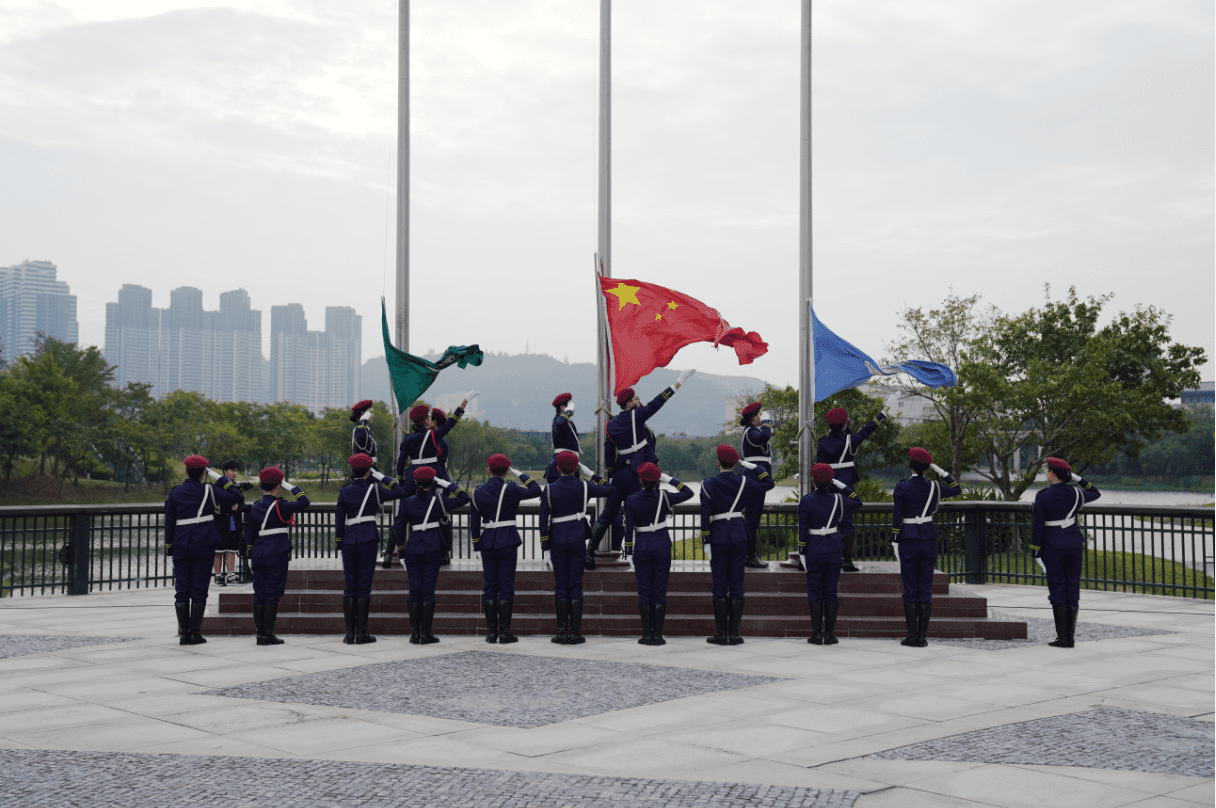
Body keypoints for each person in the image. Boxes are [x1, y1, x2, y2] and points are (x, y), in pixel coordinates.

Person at [587, 370, 696, 569]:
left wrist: (612, 473)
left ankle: (589, 553)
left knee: (608, 514)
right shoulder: (636, 417)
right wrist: (678, 383)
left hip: (620, 474)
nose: (639, 400)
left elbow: (608, 450)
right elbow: (657, 403)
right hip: (639, 473)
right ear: (629, 404)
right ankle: (641, 553)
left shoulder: (611, 424)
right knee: (644, 512)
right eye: (636, 398)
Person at [699, 445, 775, 645]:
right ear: (735, 464)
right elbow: (769, 483)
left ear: (718, 463)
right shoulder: (744, 482)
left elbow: (705, 516)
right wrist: (755, 467)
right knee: (737, 585)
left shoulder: (708, 484)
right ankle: (734, 634)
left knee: (719, 586)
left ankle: (720, 634)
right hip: (738, 535)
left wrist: (706, 541)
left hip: (717, 537)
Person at [164, 455, 243, 645]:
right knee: (199, 587)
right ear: (203, 474)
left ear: (186, 471)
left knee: (182, 588)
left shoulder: (175, 492)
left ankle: (184, 634)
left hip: (181, 543)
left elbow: (169, 524)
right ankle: (195, 633)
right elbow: (236, 496)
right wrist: (222, 479)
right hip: (204, 543)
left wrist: (169, 547)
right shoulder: (210, 490)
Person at [538, 451, 615, 644]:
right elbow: (610, 489)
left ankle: (562, 631)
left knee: (561, 586)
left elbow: (542, 521)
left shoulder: (549, 490)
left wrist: (545, 546)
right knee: (575, 585)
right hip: (578, 539)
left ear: (557, 468)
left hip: (557, 540)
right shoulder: (584, 486)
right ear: (576, 468)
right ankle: (576, 633)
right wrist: (593, 476)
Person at [891, 447, 961, 647]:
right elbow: (956, 488)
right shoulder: (935, 487)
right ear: (927, 467)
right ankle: (922, 637)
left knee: (910, 587)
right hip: (928, 537)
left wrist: (895, 538)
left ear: (910, 465)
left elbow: (898, 516)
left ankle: (912, 636)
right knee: (925, 588)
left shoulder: (902, 487)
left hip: (908, 538)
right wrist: (940, 471)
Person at [336, 453, 408, 644]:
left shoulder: (344, 492)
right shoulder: (376, 490)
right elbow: (402, 492)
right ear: (369, 472)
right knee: (364, 587)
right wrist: (382, 477)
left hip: (350, 539)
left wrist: (338, 542)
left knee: (350, 586)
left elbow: (338, 520)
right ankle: (362, 634)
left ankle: (349, 634)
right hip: (368, 538)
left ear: (352, 470)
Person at [469, 454, 541, 643]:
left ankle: (491, 633)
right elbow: (536, 490)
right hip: (507, 540)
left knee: (490, 587)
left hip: (487, 542)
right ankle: (505, 632)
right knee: (506, 587)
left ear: (488, 470)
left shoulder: (477, 492)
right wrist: (523, 475)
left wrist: (477, 544)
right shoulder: (510, 489)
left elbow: (474, 522)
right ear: (507, 471)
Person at [394, 466, 470, 644]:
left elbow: (399, 527)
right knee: (428, 590)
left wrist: (401, 551)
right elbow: (465, 497)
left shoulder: (407, 502)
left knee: (414, 590)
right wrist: (446, 483)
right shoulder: (440, 501)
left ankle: (414, 634)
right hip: (432, 548)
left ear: (415, 482)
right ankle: (426, 634)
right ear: (433, 482)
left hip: (412, 549)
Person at [1031, 457, 1101, 648]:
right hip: (1073, 543)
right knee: (1072, 586)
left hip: (1052, 544)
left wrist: (1035, 550)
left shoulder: (1043, 496)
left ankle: (1062, 637)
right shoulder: (1076, 494)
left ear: (1052, 474)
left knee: (1057, 587)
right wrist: (1077, 478)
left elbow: (1037, 525)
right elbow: (1095, 492)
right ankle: (1070, 636)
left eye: (1048, 471)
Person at [623, 462, 694, 645]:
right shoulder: (665, 497)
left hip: (642, 547)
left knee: (645, 591)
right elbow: (688, 492)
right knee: (660, 591)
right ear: (657, 481)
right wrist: (670, 479)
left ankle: (647, 635)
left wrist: (628, 550)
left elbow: (629, 528)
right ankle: (658, 636)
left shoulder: (631, 500)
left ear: (640, 480)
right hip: (662, 545)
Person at [816, 406, 889, 572]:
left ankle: (825, 557)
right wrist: (883, 413)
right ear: (844, 425)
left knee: (826, 520)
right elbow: (869, 428)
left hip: (827, 483)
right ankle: (847, 560)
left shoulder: (822, 442)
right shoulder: (851, 440)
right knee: (846, 522)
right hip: (846, 484)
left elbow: (820, 466)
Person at [798, 463, 863, 645]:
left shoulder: (806, 501)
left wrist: (802, 549)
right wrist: (841, 484)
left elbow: (802, 530)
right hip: (833, 547)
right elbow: (857, 501)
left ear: (813, 480)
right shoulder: (838, 500)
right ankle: (830, 635)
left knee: (815, 590)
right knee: (831, 591)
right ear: (830, 481)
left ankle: (817, 634)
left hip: (813, 548)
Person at [246, 467, 311, 646]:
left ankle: (260, 634)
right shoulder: (281, 505)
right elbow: (305, 501)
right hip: (276, 553)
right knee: (272, 593)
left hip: (258, 553)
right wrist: (290, 486)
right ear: (277, 486)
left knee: (259, 593)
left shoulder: (256, 506)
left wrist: (250, 553)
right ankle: (268, 634)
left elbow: (250, 534)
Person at [738, 402, 774, 569]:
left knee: (753, 517)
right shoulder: (751, 432)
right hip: (755, 478)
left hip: (757, 478)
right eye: (759, 415)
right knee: (752, 519)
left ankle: (749, 555)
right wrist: (767, 424)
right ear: (753, 417)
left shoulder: (752, 431)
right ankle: (749, 556)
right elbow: (763, 437)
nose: (761, 418)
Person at [210, 459, 251, 587]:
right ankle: (217, 575)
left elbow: (241, 504)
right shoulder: (217, 486)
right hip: (220, 522)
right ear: (225, 472)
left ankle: (231, 575)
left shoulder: (236, 487)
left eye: (236, 471)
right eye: (231, 471)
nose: (234, 473)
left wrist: (237, 507)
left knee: (232, 549)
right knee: (219, 550)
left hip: (234, 521)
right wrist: (230, 506)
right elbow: (215, 504)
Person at [544, 393, 581, 483]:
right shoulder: (559, 420)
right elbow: (560, 423)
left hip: (569, 463)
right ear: (562, 408)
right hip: (560, 466)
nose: (573, 410)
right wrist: (567, 411)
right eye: (570, 407)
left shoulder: (568, 422)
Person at [350, 400, 377, 465]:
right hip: (363, 467)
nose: (372, 415)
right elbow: (360, 439)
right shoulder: (359, 429)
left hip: (370, 466)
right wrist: (363, 420)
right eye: (371, 412)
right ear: (363, 414)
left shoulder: (366, 430)